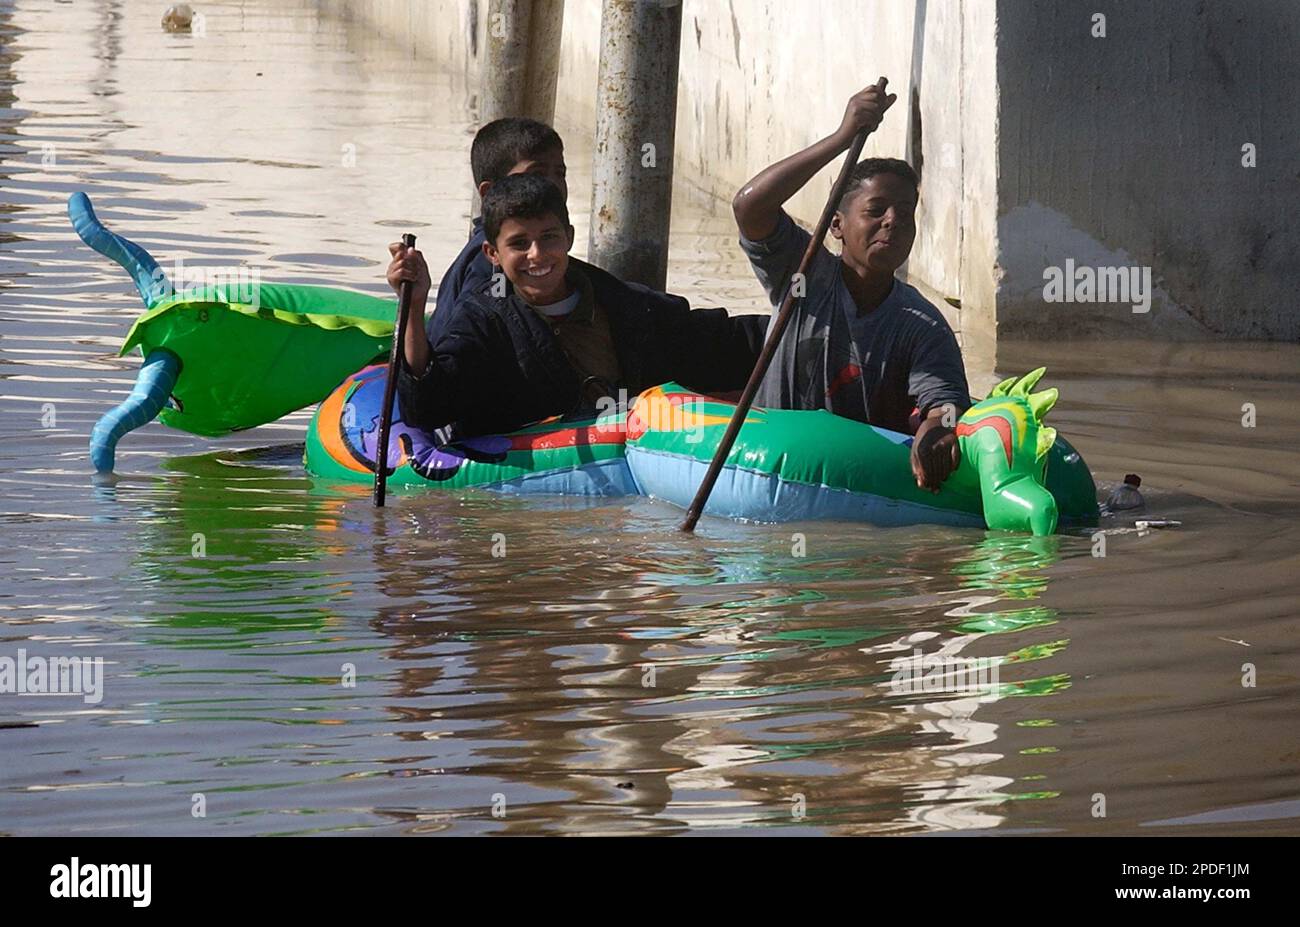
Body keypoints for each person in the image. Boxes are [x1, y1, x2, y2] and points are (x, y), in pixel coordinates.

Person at [387, 174, 764, 438]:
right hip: (531, 485)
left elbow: (720, 340)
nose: (537, 256)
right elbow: (427, 407)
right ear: (493, 254)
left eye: (549, 238)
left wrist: (804, 323)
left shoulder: (621, 303)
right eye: (519, 244)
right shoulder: (483, 317)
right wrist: (415, 306)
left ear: (568, 237)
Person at [732, 78, 971, 492]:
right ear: (837, 225)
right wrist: (842, 137)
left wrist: (936, 430)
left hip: (856, 485)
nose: (893, 221)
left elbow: (946, 404)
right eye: (876, 210)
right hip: (769, 470)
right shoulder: (803, 276)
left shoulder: (921, 323)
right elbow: (750, 205)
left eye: (905, 213)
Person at [430, 117, 569, 341]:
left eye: (560, 174)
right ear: (489, 192)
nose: (553, 185)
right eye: (536, 175)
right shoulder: (492, 264)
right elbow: (476, 329)